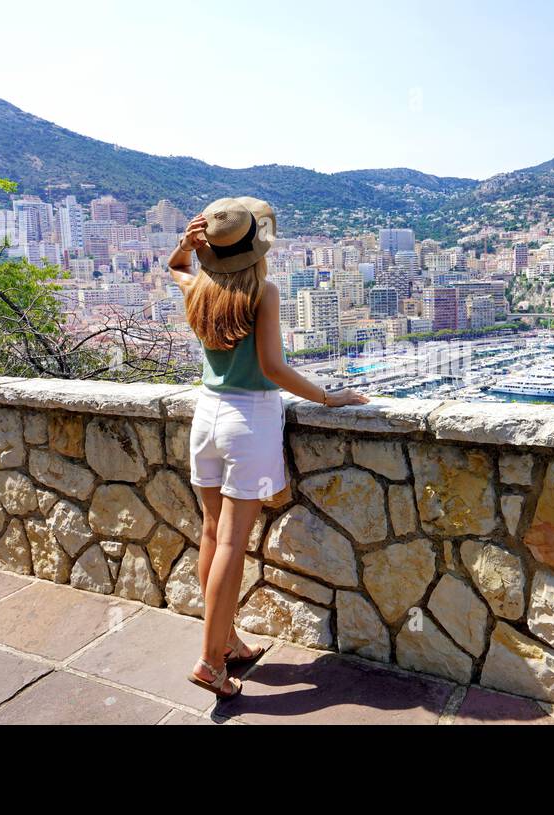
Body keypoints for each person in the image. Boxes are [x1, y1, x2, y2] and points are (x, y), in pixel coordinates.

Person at [167, 196, 367, 699]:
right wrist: (329, 396)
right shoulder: (265, 292)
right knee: (231, 545)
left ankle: (227, 640)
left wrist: (186, 246)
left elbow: (174, 268)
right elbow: (274, 368)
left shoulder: (199, 287)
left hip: (206, 417)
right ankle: (211, 662)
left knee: (211, 536)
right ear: (257, 248)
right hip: (248, 421)